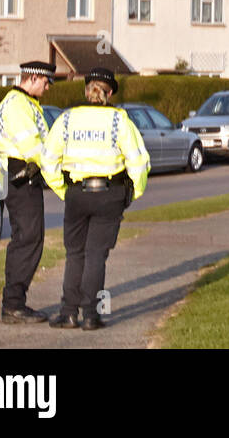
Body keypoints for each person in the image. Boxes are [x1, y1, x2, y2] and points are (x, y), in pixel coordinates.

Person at [40, 68, 149, 330]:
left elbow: (48, 160)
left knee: (74, 254)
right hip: (109, 194)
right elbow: (139, 161)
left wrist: (62, 190)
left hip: (77, 194)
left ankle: (68, 313)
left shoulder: (67, 119)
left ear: (86, 91)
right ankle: (91, 315)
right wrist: (133, 192)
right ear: (109, 94)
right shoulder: (119, 120)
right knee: (96, 256)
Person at [0, 60, 56, 324]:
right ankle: (13, 305)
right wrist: (58, 172)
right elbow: (33, 148)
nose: (48, 88)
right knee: (28, 239)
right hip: (21, 176)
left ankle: (14, 302)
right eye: (46, 82)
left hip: (23, 176)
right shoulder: (18, 105)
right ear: (33, 78)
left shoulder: (26, 103)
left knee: (27, 238)